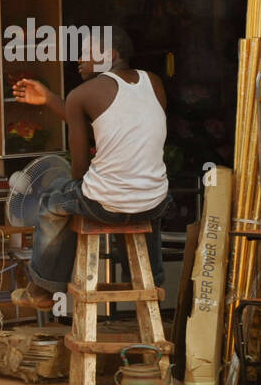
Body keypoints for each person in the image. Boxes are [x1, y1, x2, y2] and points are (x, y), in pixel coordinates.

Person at [10, 26, 172, 309]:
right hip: (154, 203)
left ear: (109, 55)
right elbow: (117, 127)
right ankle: (151, 282)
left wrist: (101, 182)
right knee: (137, 197)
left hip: (104, 205)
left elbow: (79, 171)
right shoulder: (154, 82)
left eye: (86, 52)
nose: (79, 59)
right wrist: (49, 99)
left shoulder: (82, 93)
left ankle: (42, 287)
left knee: (54, 200)